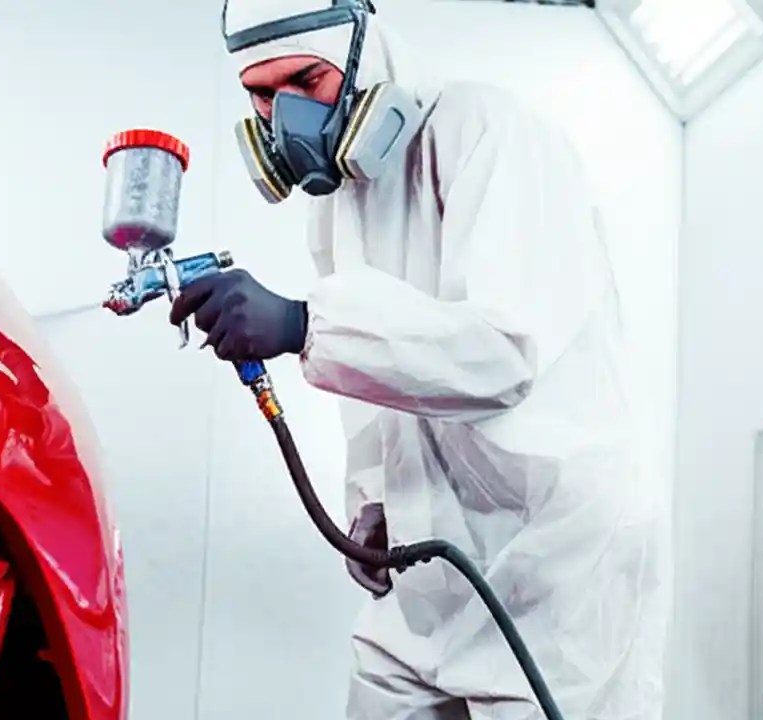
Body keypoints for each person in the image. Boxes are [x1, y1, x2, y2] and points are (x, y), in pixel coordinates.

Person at [169, 1, 671, 718]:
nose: (289, 119)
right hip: (432, 566)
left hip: (557, 562)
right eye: (262, 93)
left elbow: (502, 350)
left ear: (365, 55)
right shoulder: (338, 202)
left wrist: (304, 322)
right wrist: (369, 499)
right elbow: (379, 388)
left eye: (307, 80)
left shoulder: (490, 132)